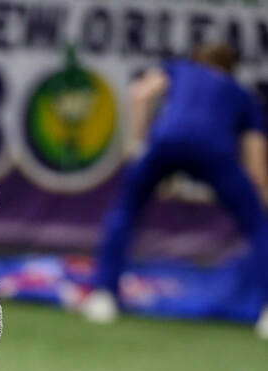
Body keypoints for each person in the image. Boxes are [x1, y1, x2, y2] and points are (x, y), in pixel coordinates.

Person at [82, 44, 268, 338]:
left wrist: (137, 145)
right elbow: (256, 163)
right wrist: (260, 195)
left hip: (166, 143)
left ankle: (103, 296)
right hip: (215, 152)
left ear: (197, 59)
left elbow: (140, 93)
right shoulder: (241, 94)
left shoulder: (180, 69)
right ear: (231, 68)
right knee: (259, 227)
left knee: (125, 210)